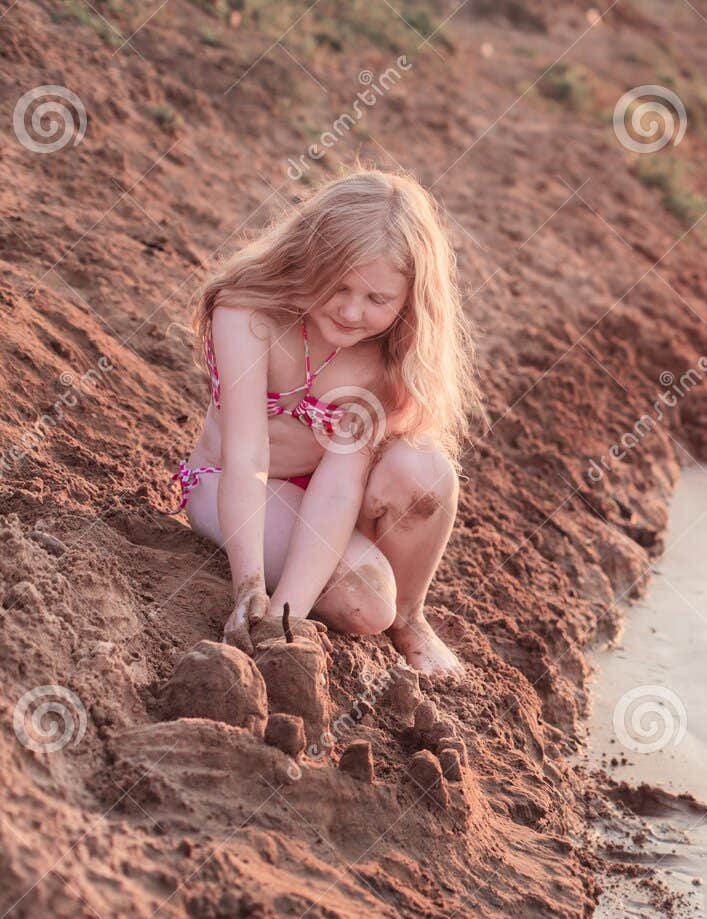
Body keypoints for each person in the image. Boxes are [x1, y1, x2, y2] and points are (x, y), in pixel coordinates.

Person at [174, 169, 480, 674]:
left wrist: (284, 614)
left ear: (407, 302)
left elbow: (339, 489)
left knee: (426, 472)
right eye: (337, 287)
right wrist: (250, 589)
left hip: (332, 496)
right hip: (235, 483)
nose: (352, 312)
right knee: (366, 605)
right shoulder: (248, 314)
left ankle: (411, 618)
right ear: (306, 259)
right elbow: (246, 456)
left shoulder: (385, 361)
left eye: (377, 300)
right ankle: (370, 603)